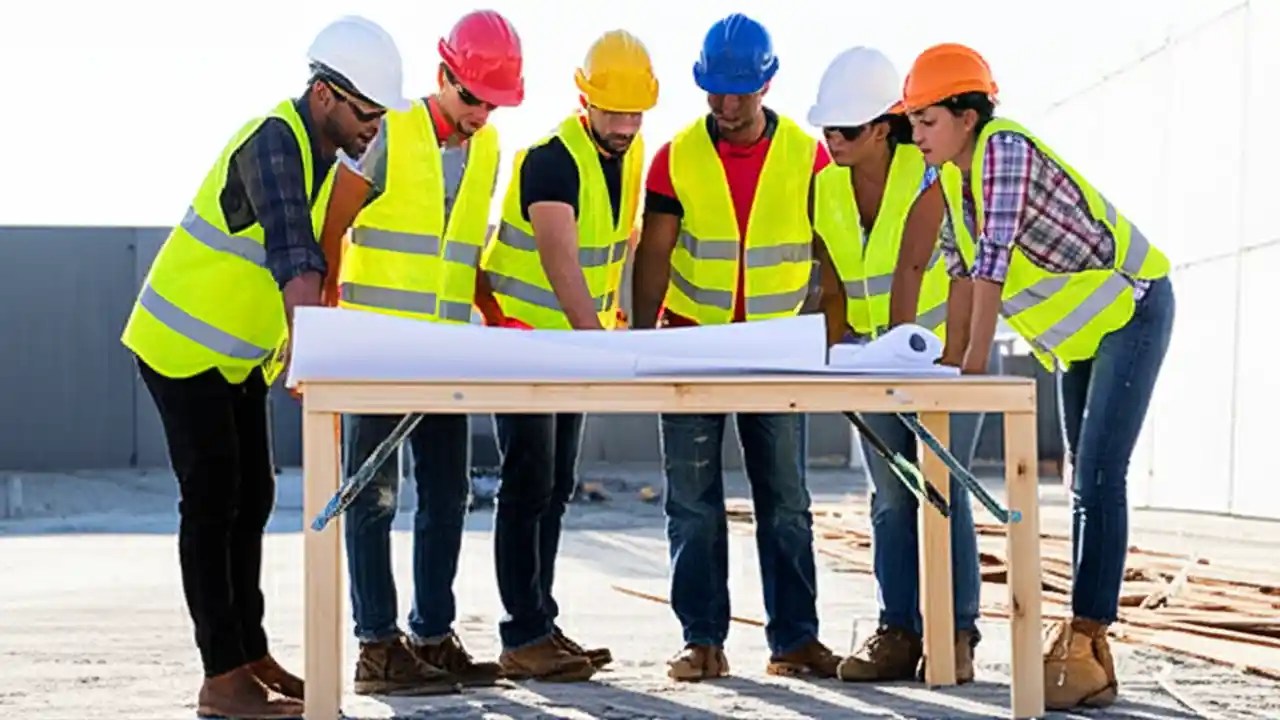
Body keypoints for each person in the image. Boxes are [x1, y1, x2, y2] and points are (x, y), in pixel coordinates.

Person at [119, 15, 406, 719]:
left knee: (254, 498)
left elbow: (318, 247)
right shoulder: (275, 142)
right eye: (366, 111)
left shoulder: (318, 154)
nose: (374, 126)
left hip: (233, 355)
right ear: (325, 97)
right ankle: (221, 678)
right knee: (213, 499)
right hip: (181, 347)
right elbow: (293, 253)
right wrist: (312, 359)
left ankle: (248, 653)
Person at [902, 42, 1175, 710]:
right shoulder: (949, 179)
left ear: (968, 115)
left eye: (927, 121)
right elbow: (963, 277)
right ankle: (1090, 648)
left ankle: (1086, 634)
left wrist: (971, 372)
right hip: (1085, 336)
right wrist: (948, 365)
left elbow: (993, 260)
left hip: (1131, 310)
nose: (917, 137)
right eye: (911, 124)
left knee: (1101, 476)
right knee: (1083, 479)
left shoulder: (1002, 152)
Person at [314, 10, 524, 695]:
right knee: (371, 496)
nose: (479, 116)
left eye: (492, 104)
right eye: (470, 99)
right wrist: (323, 328)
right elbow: (333, 228)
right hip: (375, 348)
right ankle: (377, 647)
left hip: (444, 352)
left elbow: (463, 252)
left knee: (447, 492)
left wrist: (493, 315)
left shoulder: (487, 150)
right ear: (441, 77)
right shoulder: (388, 130)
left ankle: (431, 637)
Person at [630, 13, 842, 682]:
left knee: (786, 500)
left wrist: (828, 341)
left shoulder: (808, 157)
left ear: (767, 84)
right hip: (693, 343)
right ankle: (702, 641)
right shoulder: (675, 155)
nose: (724, 106)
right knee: (691, 503)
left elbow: (830, 255)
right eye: (714, 92)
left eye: (738, 93)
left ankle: (795, 640)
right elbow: (655, 253)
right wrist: (643, 345)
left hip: (778, 350)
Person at [476, 28, 656, 682]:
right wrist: (597, 345)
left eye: (637, 112)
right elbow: (558, 258)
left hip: (572, 348)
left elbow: (616, 249)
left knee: (553, 487)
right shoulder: (551, 159)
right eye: (614, 112)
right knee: (526, 484)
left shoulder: (628, 157)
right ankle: (522, 633)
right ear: (585, 100)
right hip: (526, 343)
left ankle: (541, 625)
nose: (627, 125)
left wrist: (614, 328)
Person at [805, 45, 986, 685]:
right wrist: (834, 356)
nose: (833, 142)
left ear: (885, 127)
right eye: (826, 130)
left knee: (945, 495)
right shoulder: (825, 186)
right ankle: (899, 631)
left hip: (940, 361)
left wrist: (961, 359)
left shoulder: (933, 169)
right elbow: (830, 283)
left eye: (847, 131)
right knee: (889, 501)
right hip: (870, 364)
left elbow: (958, 265)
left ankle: (956, 634)